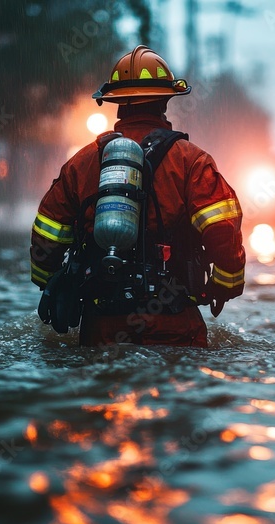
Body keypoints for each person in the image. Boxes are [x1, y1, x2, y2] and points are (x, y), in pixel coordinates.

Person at [30, 45, 245, 347]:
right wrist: (224, 285)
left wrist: (50, 283)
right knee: (183, 376)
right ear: (165, 101)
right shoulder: (191, 161)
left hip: (103, 324)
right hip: (175, 321)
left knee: (105, 374)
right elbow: (223, 230)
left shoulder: (82, 163)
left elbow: (46, 235)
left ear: (116, 104)